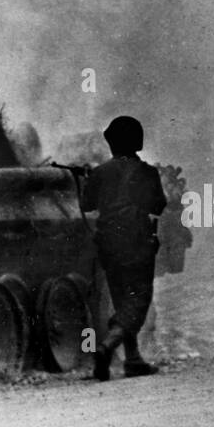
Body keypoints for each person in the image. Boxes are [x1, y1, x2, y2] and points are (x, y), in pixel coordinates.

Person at [79, 115, 166, 380]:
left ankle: (133, 359)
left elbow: (86, 205)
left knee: (121, 299)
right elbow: (158, 206)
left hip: (108, 244)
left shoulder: (100, 172)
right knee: (137, 302)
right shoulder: (147, 173)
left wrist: (91, 179)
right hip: (137, 243)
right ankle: (107, 347)